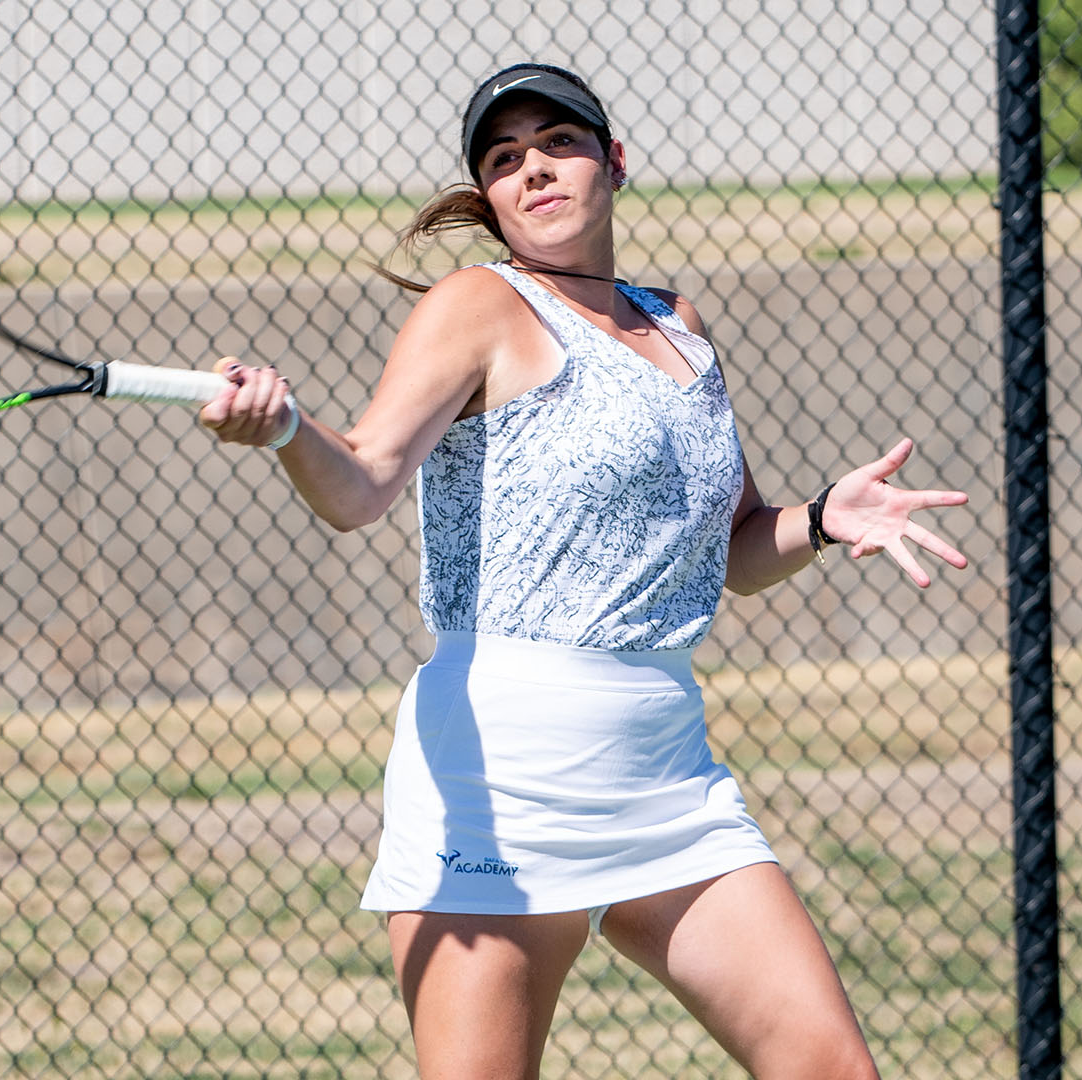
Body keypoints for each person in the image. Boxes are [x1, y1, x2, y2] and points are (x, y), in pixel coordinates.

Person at [198, 61, 968, 1080]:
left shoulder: (678, 326)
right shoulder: (480, 304)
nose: (534, 170)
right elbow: (361, 485)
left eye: (558, 142)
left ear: (612, 160)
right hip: (500, 778)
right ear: (493, 201)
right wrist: (289, 428)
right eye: (505, 160)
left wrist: (823, 518)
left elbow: (733, 554)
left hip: (667, 776)